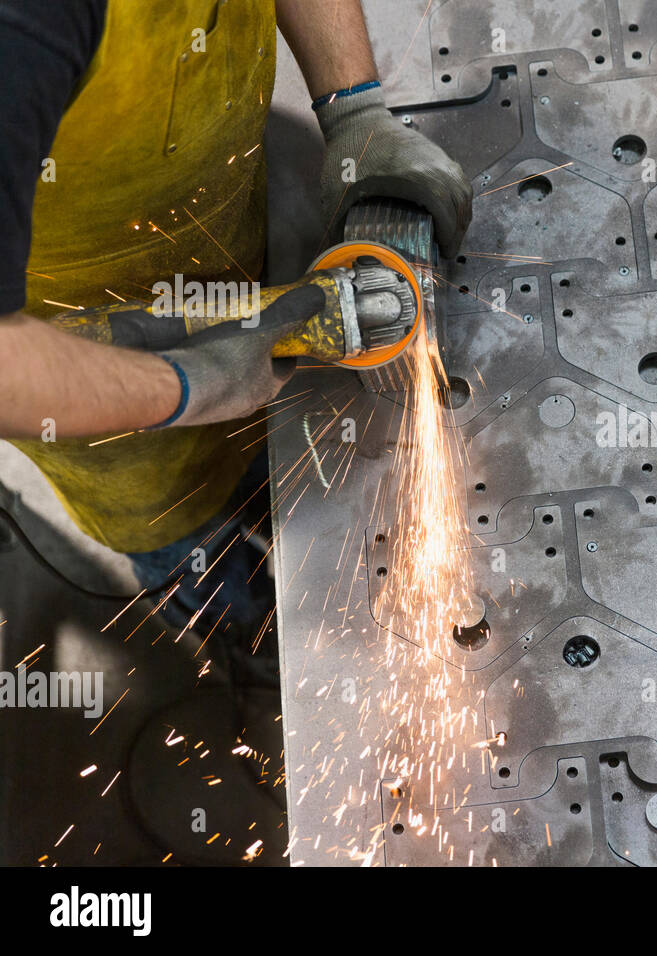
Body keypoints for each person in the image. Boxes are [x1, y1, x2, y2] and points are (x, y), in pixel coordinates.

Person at [0, 0, 472, 658]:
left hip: (224, 251)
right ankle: (242, 634)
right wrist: (189, 384)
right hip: (85, 385)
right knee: (192, 541)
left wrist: (354, 109)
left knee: (273, 464)